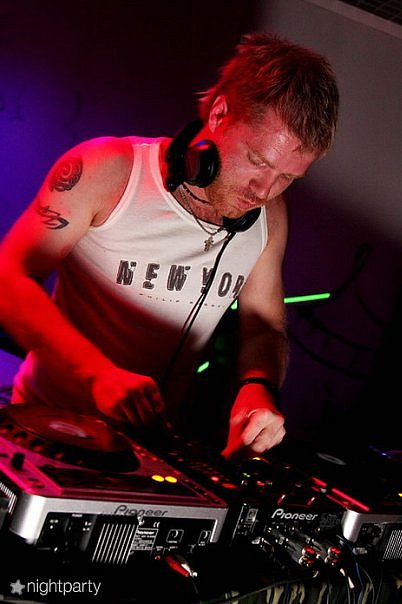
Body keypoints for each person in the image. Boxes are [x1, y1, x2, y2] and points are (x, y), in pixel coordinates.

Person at [0, 32, 339, 459]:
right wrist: (97, 374)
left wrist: (258, 387)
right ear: (220, 113)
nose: (264, 191)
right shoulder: (110, 170)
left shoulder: (270, 215)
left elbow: (263, 326)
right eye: (258, 161)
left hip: (150, 452)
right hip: (49, 428)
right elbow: (9, 278)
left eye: (288, 177)